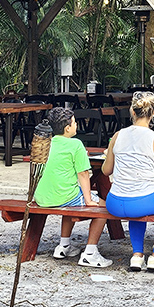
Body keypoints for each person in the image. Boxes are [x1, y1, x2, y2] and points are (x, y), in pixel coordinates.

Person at [103, 91, 154, 272]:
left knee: (139, 203)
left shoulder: (117, 135)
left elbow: (106, 171)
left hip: (114, 201)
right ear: (153, 113)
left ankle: (137, 255)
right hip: (141, 201)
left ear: (132, 111)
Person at [34, 106, 112, 268]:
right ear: (68, 128)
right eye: (75, 122)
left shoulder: (45, 143)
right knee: (105, 209)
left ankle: (64, 246)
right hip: (64, 196)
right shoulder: (76, 145)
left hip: (42, 197)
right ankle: (90, 253)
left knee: (71, 198)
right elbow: (83, 174)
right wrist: (89, 200)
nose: (76, 125)